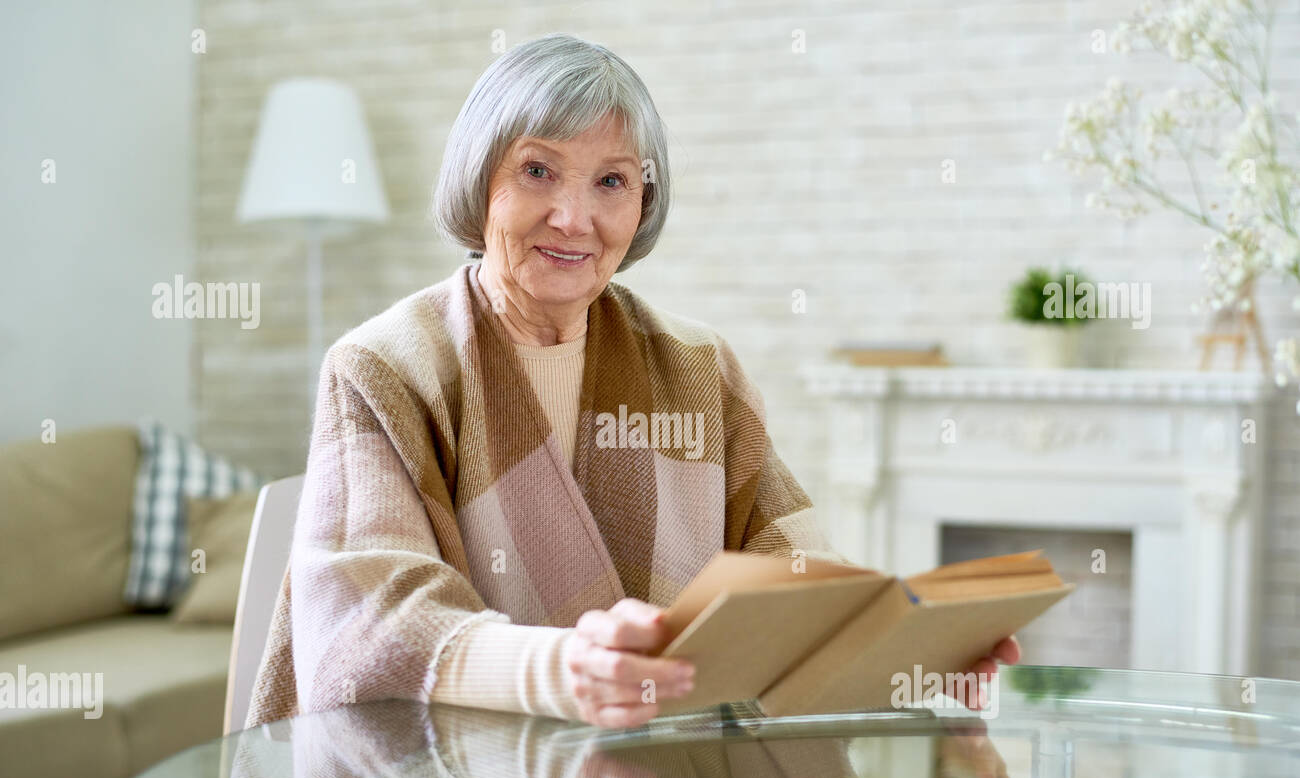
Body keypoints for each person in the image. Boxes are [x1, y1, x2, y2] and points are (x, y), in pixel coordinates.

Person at [244, 33, 1018, 732]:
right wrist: (567, 674)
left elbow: (797, 580)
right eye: (538, 170)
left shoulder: (698, 366)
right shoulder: (384, 367)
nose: (574, 217)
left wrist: (906, 652)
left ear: (643, 202)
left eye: (611, 182)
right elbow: (372, 623)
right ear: (482, 185)